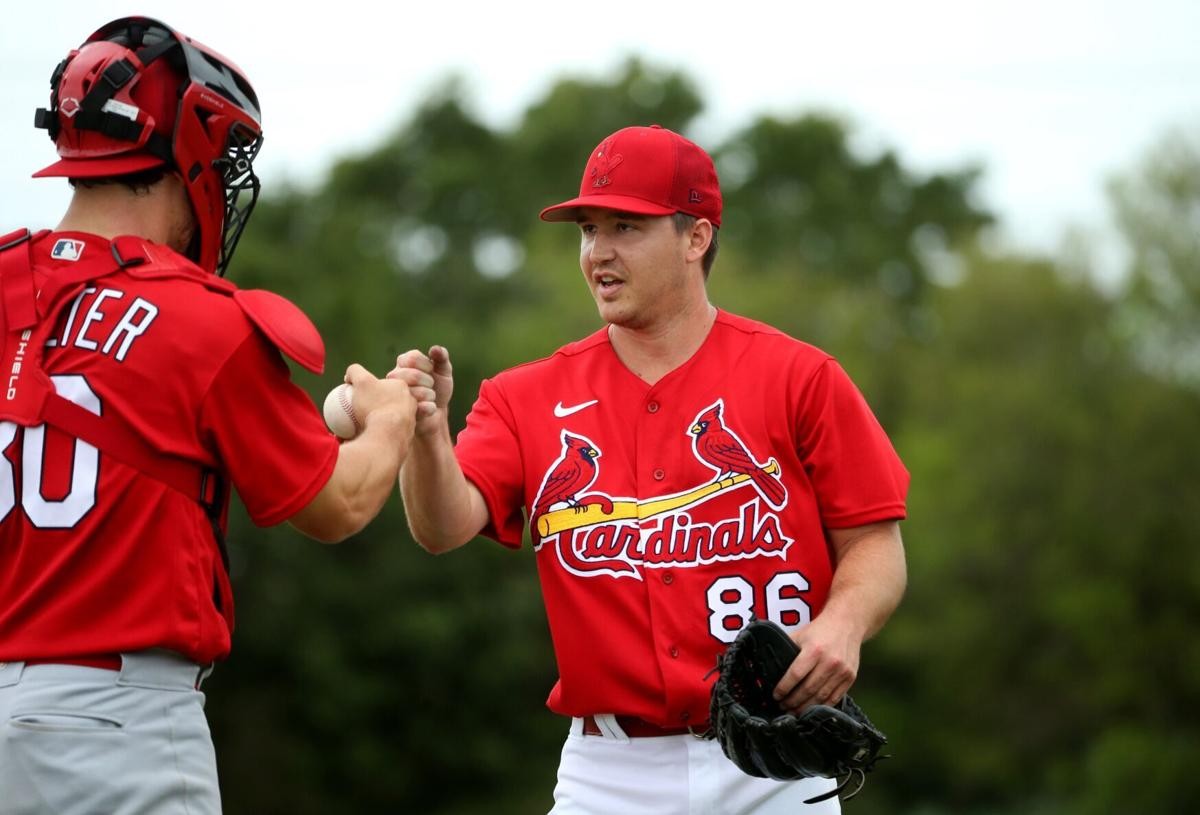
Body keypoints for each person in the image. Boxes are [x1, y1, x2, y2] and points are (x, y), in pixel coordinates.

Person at [392, 124, 909, 814]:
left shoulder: (799, 377)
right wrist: (426, 436)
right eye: (587, 228)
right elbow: (442, 526)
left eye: (625, 227)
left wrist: (843, 623)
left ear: (696, 238)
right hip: (609, 771)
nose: (598, 252)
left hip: (775, 755)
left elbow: (875, 542)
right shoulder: (525, 397)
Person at [0, 17, 431, 815]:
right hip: (118, 724)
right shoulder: (201, 319)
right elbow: (336, 504)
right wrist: (391, 419)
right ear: (184, 154)